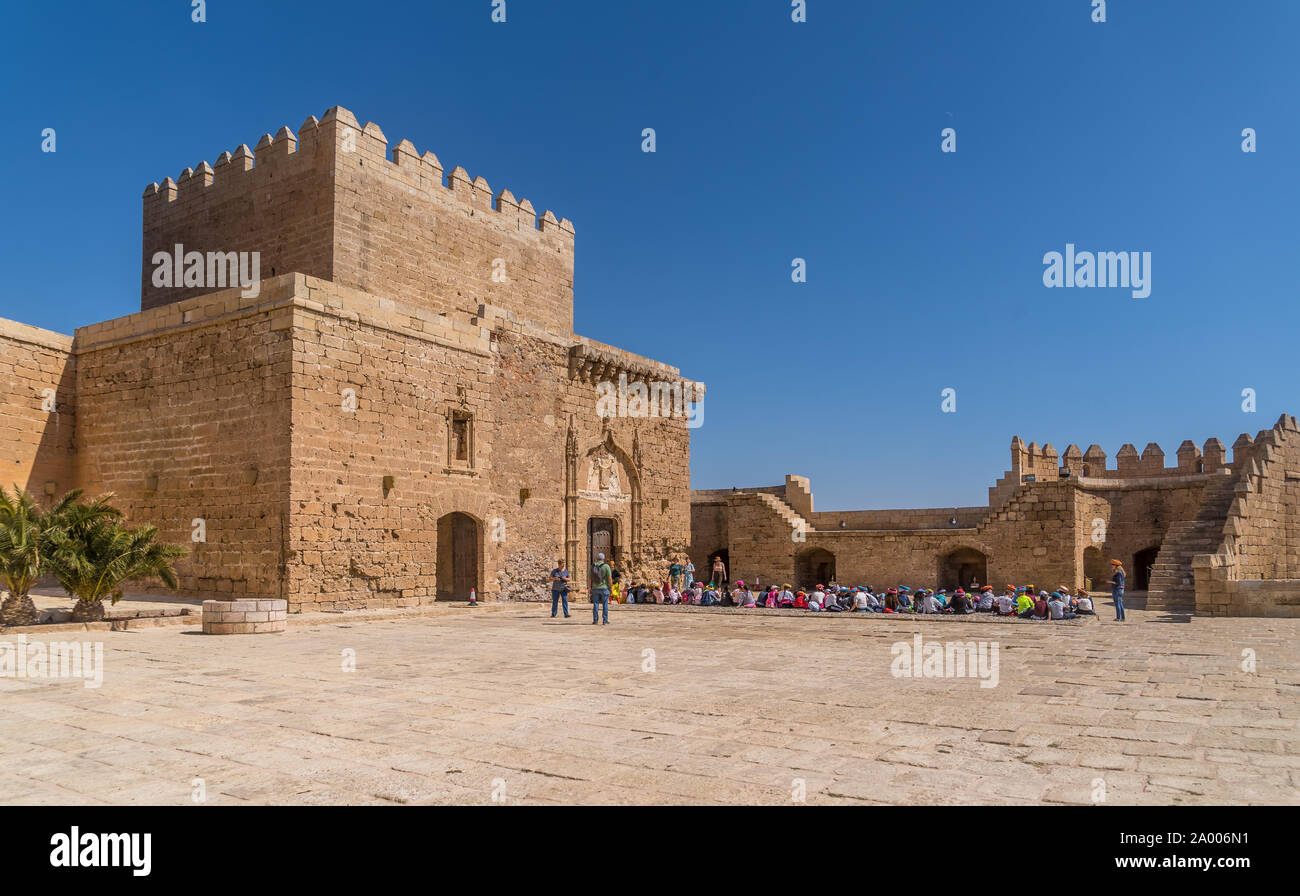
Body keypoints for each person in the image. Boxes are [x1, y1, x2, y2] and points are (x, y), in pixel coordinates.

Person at [590, 553, 613, 625]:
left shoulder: (592, 566)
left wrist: (590, 587)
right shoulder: (606, 566)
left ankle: (595, 620)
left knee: (595, 604)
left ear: (597, 558)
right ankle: (605, 620)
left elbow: (590, 578)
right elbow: (609, 578)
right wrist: (611, 587)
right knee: (605, 604)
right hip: (604, 588)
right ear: (603, 559)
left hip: (595, 588)